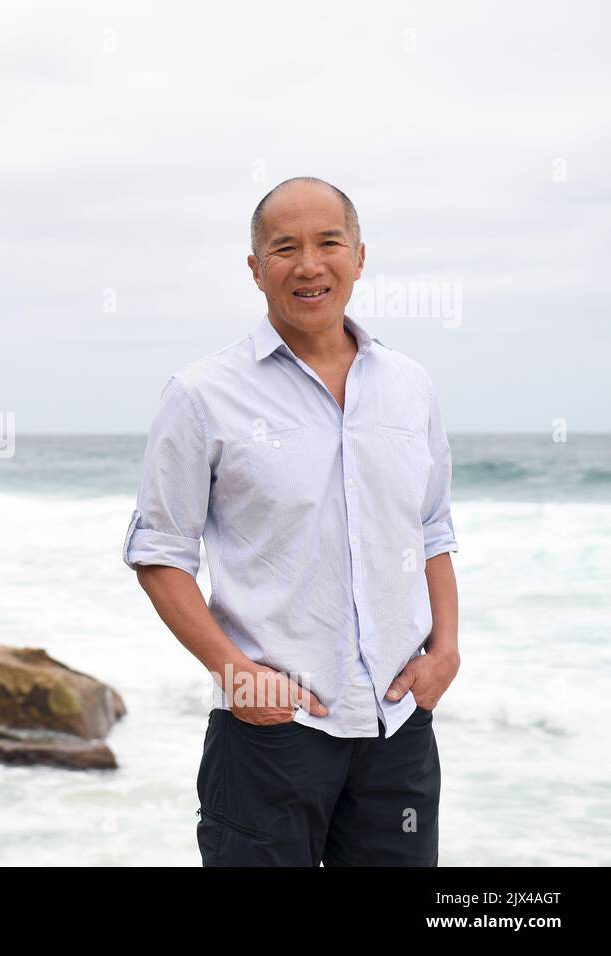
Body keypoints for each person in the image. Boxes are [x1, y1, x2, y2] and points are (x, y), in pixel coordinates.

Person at [123, 177, 460, 866]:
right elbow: (159, 554)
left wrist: (446, 651)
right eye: (285, 248)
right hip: (269, 733)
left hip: (398, 729)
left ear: (359, 257)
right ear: (256, 269)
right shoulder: (201, 395)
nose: (309, 265)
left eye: (328, 243)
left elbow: (432, 531)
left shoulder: (410, 386)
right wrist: (235, 674)